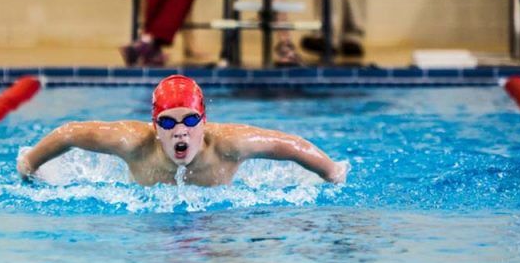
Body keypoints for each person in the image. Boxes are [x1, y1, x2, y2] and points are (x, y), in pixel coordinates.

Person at [18, 75, 346, 186]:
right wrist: (29, 164)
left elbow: (289, 145)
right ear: (154, 126)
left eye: (190, 121)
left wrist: (332, 172)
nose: (180, 132)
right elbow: (71, 133)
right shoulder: (132, 142)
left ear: (203, 122)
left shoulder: (229, 144)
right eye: (168, 122)